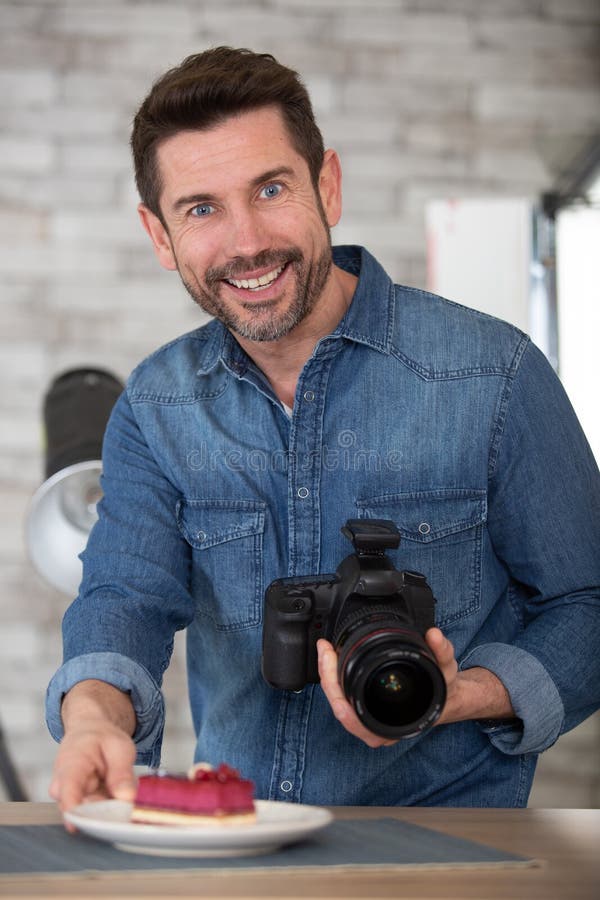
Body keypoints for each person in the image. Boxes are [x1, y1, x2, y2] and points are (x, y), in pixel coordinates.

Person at [46, 46, 600, 816]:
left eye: (270, 188)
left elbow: (589, 601)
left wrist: (464, 693)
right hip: (241, 844)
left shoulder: (496, 374)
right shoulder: (154, 404)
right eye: (201, 208)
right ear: (159, 234)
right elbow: (124, 595)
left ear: (327, 185)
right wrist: (92, 718)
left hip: (454, 852)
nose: (245, 243)